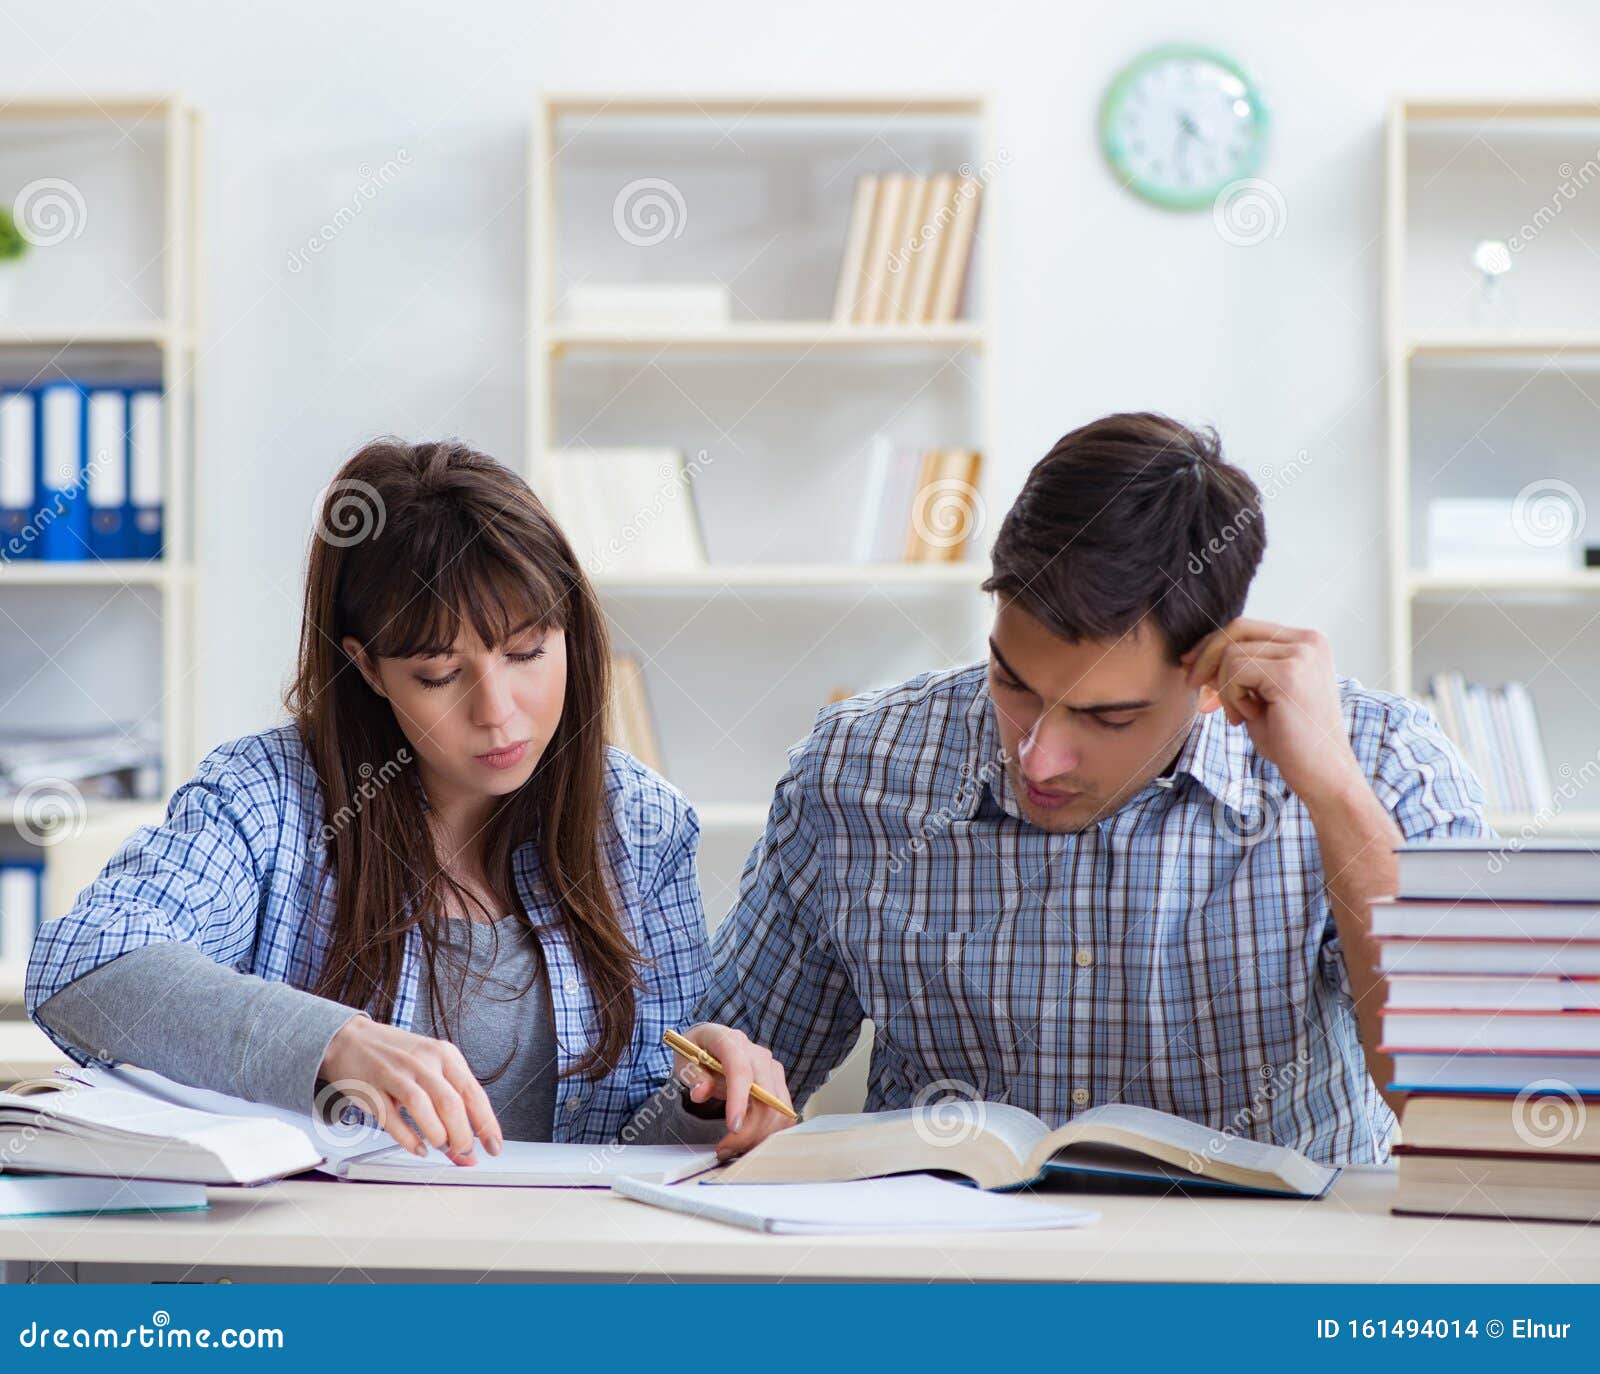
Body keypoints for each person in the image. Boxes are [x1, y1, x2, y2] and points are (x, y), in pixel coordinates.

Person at [697, 412, 1485, 1164]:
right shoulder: (855, 772)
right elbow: (707, 1095)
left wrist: (1335, 795)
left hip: (1264, 1284)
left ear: (1209, 678)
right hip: (955, 1277)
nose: (1039, 760)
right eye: (1013, 683)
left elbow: (1457, 1101)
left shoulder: (1383, 763)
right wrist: (717, 1082)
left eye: (1108, 717)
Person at [27, 438, 793, 1164]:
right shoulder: (267, 799)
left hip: (561, 1277)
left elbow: (632, 1153)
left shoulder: (641, 826)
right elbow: (81, 964)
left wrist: (704, 1108)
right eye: (437, 674)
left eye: (527, 653)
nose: (498, 710)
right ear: (366, 667)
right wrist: (333, 1043)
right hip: (320, 1276)